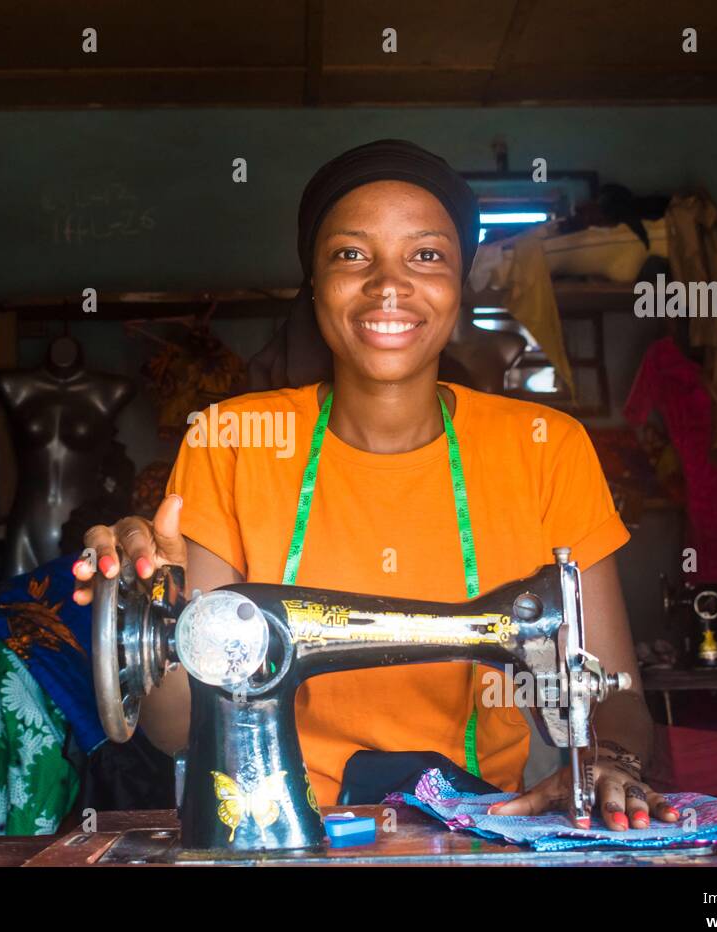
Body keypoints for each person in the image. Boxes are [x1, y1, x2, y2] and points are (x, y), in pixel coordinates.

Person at [74, 139, 676, 831]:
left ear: (460, 285)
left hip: (482, 827)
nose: (388, 284)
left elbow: (615, 694)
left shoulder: (547, 448)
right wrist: (164, 615)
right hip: (290, 828)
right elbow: (179, 730)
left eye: (426, 255)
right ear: (313, 281)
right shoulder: (230, 440)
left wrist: (614, 762)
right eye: (351, 254)